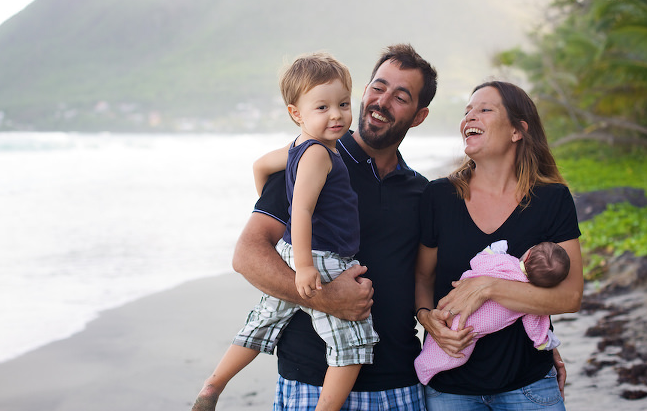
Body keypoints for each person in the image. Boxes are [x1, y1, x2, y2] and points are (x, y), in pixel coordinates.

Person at [229, 44, 438, 410]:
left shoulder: (423, 192)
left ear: (419, 116)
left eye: (400, 96)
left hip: (401, 385)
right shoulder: (314, 156)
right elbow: (247, 256)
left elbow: (433, 277)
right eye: (378, 87)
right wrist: (326, 298)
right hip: (311, 379)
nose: (381, 101)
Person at [191, 53, 378, 411]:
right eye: (322, 107)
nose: (336, 115)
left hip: (294, 251)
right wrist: (306, 268)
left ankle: (213, 385)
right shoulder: (320, 155)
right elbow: (302, 212)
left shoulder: (296, 147)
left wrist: (270, 192)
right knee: (353, 341)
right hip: (321, 257)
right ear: (297, 114)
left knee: (266, 320)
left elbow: (260, 166)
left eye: (342, 104)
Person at [414, 80, 583, 410]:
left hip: (529, 385)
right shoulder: (438, 197)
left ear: (518, 130)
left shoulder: (552, 199)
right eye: (467, 112)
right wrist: (426, 317)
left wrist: (488, 287)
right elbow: (422, 278)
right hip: (449, 390)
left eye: (484, 109)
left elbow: (570, 296)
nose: (469, 117)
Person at [414, 239, 570, 385]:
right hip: (470, 330)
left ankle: (423, 367)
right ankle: (425, 369)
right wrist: (545, 342)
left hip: (453, 305)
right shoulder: (528, 300)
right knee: (457, 354)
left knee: (442, 340)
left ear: (528, 253)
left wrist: (494, 249)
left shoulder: (506, 262)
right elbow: (534, 329)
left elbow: (477, 262)